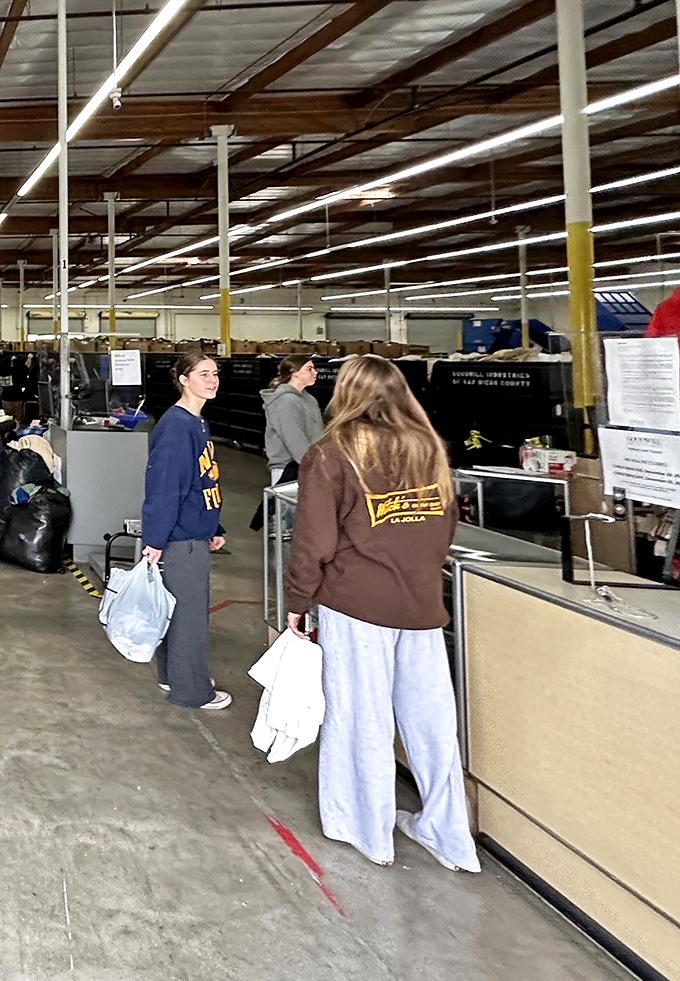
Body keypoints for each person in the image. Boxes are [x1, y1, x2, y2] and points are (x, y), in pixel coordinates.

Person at [284, 355, 480, 873]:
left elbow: (315, 542)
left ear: (346, 392)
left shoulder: (332, 453)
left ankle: (366, 827)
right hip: (421, 606)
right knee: (433, 725)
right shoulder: (428, 449)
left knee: (359, 716)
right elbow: (444, 529)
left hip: (357, 605)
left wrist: (296, 602)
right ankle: (448, 834)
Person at [141, 352, 231, 711]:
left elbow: (201, 480)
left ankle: (173, 675)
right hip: (180, 541)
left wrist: (214, 523)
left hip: (194, 533)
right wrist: (155, 541)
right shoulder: (177, 427)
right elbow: (164, 489)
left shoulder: (197, 422)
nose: (212, 380)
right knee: (189, 619)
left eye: (215, 373)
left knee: (176, 613)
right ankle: (192, 690)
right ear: (183, 379)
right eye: (203, 373)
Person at [261, 355, 324, 485]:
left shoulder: (309, 399)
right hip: (289, 468)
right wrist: (311, 464)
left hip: (312, 464)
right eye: (309, 369)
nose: (315, 372)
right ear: (294, 372)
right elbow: (293, 437)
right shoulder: (285, 401)